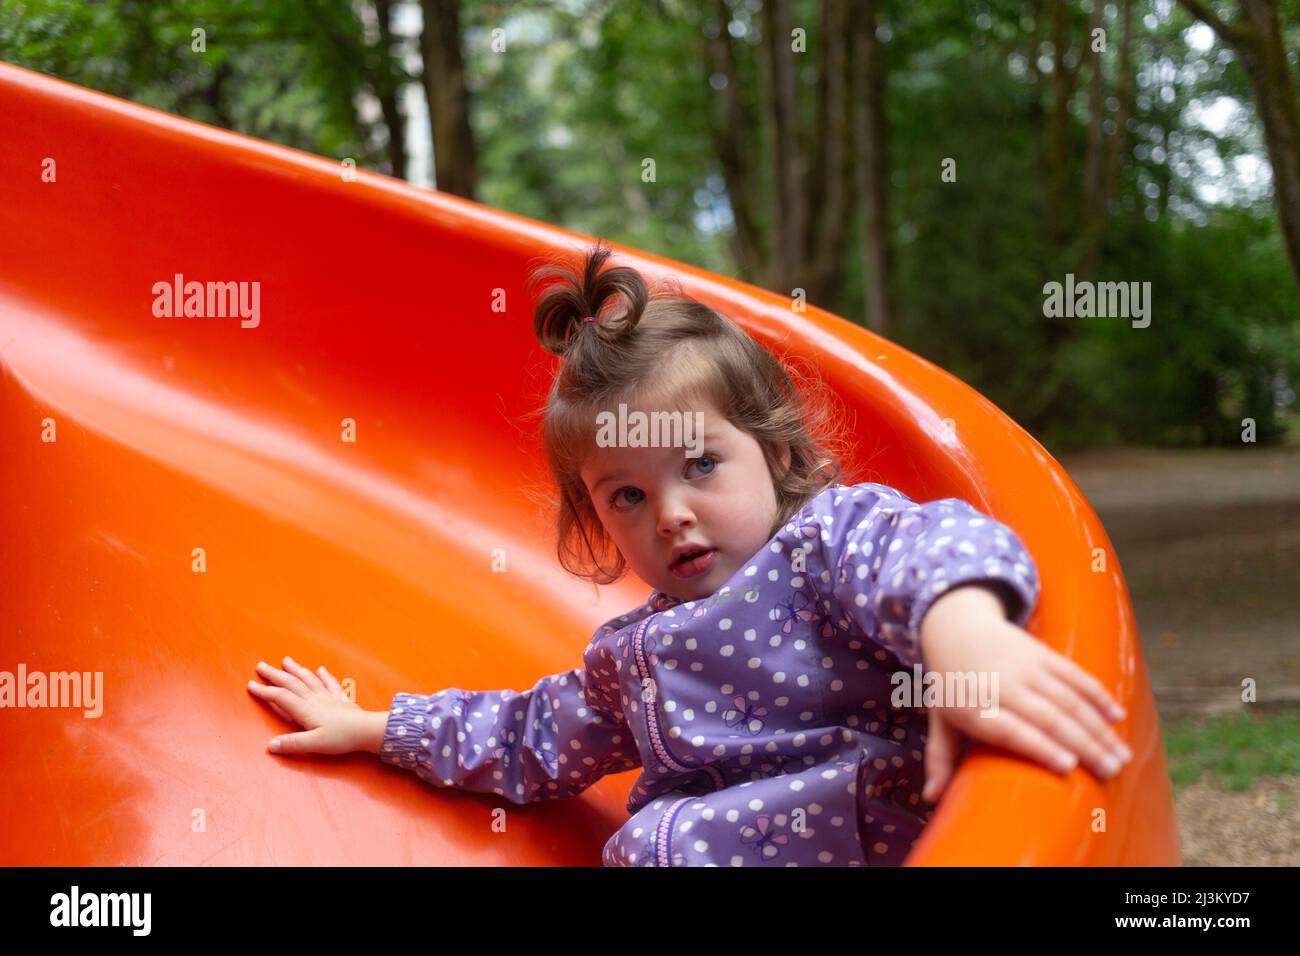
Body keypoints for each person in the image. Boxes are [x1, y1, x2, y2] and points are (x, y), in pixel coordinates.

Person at [247, 241, 1131, 866]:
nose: (670, 515)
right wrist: (380, 727)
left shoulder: (824, 546)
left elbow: (932, 543)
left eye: (700, 466)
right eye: (627, 496)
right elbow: (524, 737)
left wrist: (964, 638)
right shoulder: (625, 660)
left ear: (776, 453)